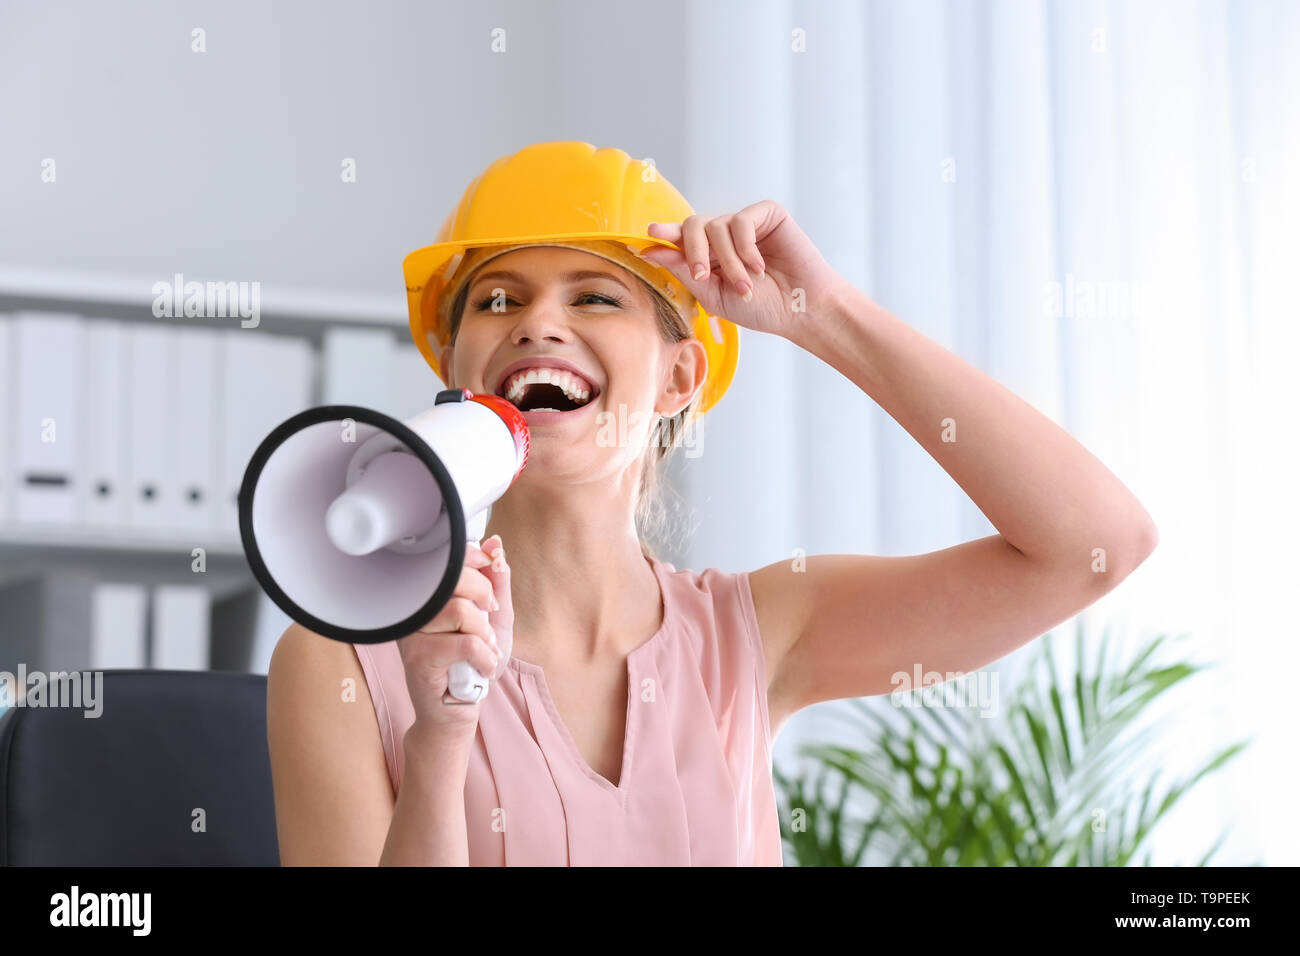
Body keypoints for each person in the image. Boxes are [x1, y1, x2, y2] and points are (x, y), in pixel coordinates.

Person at [266, 141, 1157, 866]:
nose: (536, 322)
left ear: (678, 378)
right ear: (455, 373)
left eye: (595, 296)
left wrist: (824, 312)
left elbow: (1095, 546)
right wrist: (441, 737)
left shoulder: (761, 632)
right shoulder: (342, 661)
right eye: (498, 299)